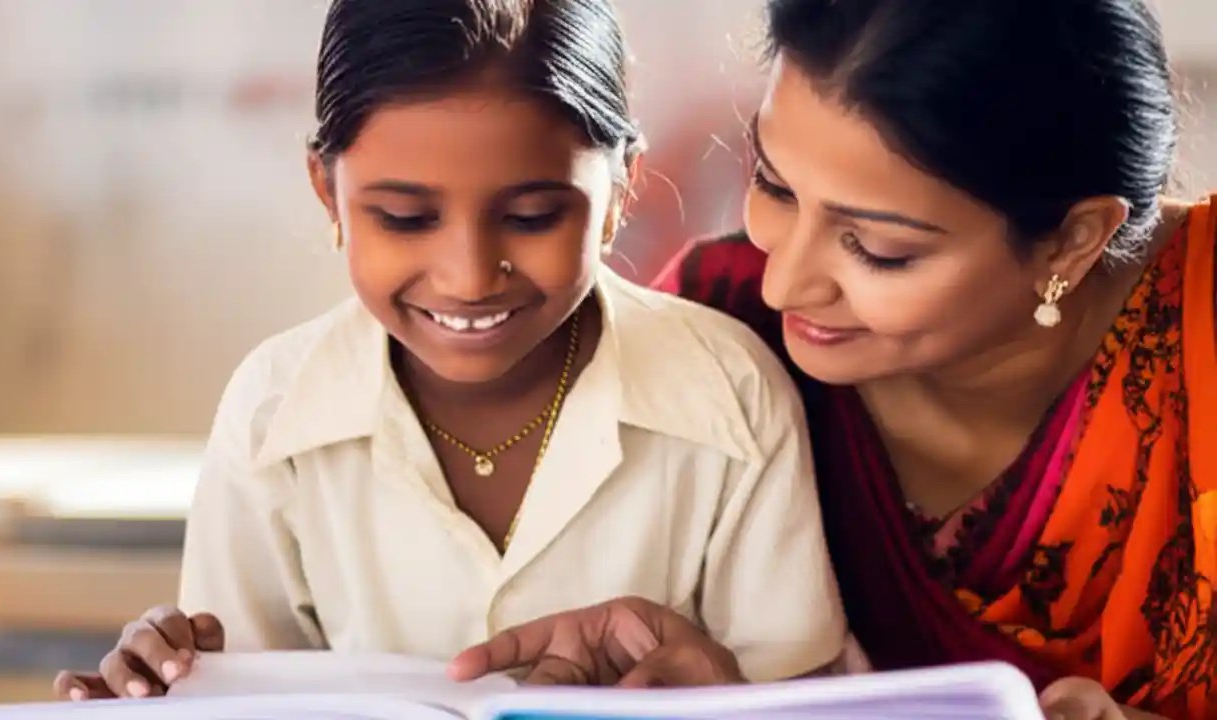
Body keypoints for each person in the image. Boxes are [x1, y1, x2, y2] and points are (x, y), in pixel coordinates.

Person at [51, 0, 846, 702]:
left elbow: (804, 701)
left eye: (533, 216)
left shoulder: (732, 396)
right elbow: (245, 697)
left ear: (619, 194)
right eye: (403, 218)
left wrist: (715, 691)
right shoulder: (272, 413)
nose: (469, 279)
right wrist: (173, 688)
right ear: (328, 194)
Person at [449, 0, 1216, 718]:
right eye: (772, 186)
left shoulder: (1199, 329)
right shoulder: (721, 328)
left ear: (1072, 239)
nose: (784, 282)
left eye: (878, 250)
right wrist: (727, 688)